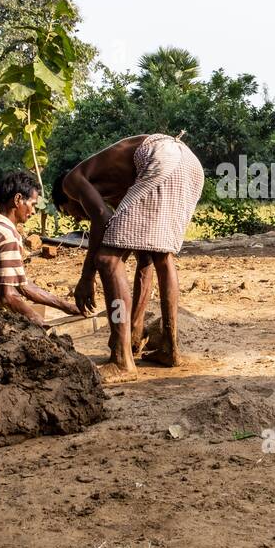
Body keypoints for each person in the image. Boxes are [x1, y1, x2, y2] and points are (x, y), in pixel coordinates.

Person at [51, 134, 205, 381]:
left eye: (68, 212)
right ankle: (169, 347)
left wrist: (86, 277)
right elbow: (144, 260)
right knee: (159, 255)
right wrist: (133, 327)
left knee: (107, 260)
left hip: (160, 156)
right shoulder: (119, 187)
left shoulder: (71, 182)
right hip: (189, 163)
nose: (77, 219)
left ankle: (122, 361)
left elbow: (100, 218)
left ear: (66, 198)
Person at [0, 171, 83, 324]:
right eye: (33, 204)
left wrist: (66, 306)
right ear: (18, 200)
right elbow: (8, 296)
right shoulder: (7, 236)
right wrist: (37, 320)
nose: (34, 211)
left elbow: (22, 285)